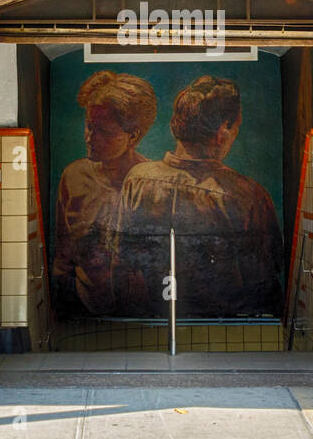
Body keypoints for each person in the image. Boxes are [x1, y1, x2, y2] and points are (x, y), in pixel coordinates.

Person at [114, 75, 283, 319]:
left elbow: (121, 265)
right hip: (226, 329)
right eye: (236, 127)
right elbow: (265, 280)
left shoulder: (137, 179)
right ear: (222, 131)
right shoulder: (246, 196)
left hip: (152, 321)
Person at [52, 71, 157, 317]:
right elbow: (63, 257)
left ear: (134, 136)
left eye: (105, 132)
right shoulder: (73, 177)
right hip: (83, 310)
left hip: (143, 316)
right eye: (89, 126)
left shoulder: (152, 184)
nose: (90, 138)